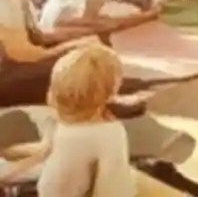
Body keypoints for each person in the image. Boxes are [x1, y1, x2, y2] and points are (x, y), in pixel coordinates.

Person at [0, 44, 135, 196]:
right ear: (111, 94)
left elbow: (46, 154)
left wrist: (9, 158)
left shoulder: (64, 128)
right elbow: (112, 190)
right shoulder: (111, 132)